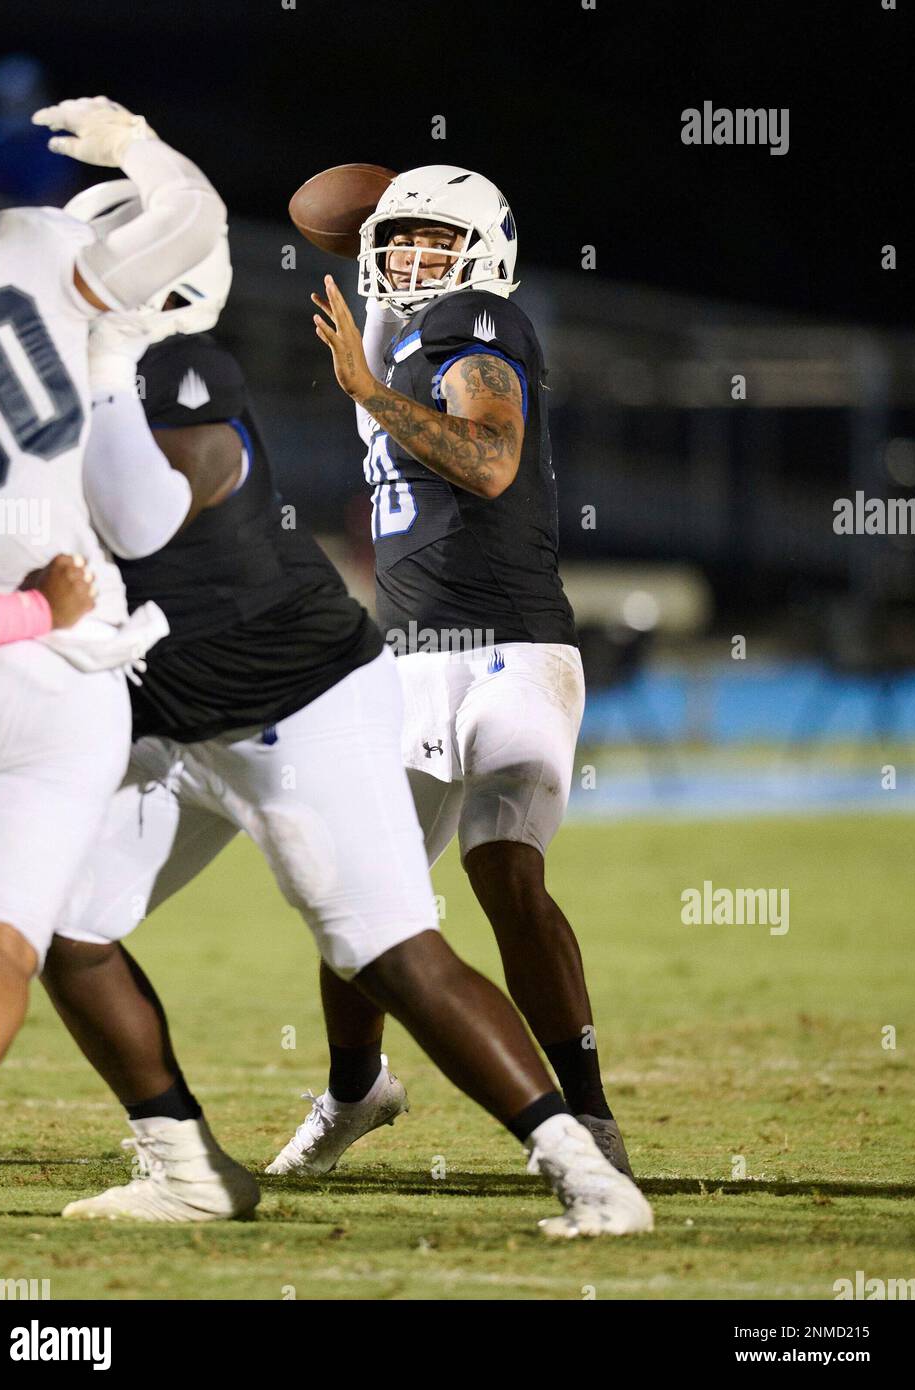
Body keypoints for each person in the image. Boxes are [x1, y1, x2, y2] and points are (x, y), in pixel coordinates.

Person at [38, 195, 652, 1237]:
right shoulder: (85, 377)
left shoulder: (189, 371)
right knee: (113, 919)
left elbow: (489, 459)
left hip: (354, 671)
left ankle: (584, 1141)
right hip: (292, 675)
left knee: (447, 906)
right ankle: (286, 1121)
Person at [271, 165, 636, 1183]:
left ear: (484, 250)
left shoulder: (479, 318)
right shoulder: (392, 325)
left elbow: (488, 461)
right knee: (356, 883)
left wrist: (369, 391)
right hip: (413, 651)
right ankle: (356, 1089)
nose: (409, 257)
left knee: (504, 874)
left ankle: (590, 1121)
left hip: (509, 645)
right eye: (397, 239)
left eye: (435, 239)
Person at [0, 96, 227, 1143]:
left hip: (20, 643)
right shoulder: (42, 256)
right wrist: (137, 146)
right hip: (60, 672)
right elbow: (191, 225)